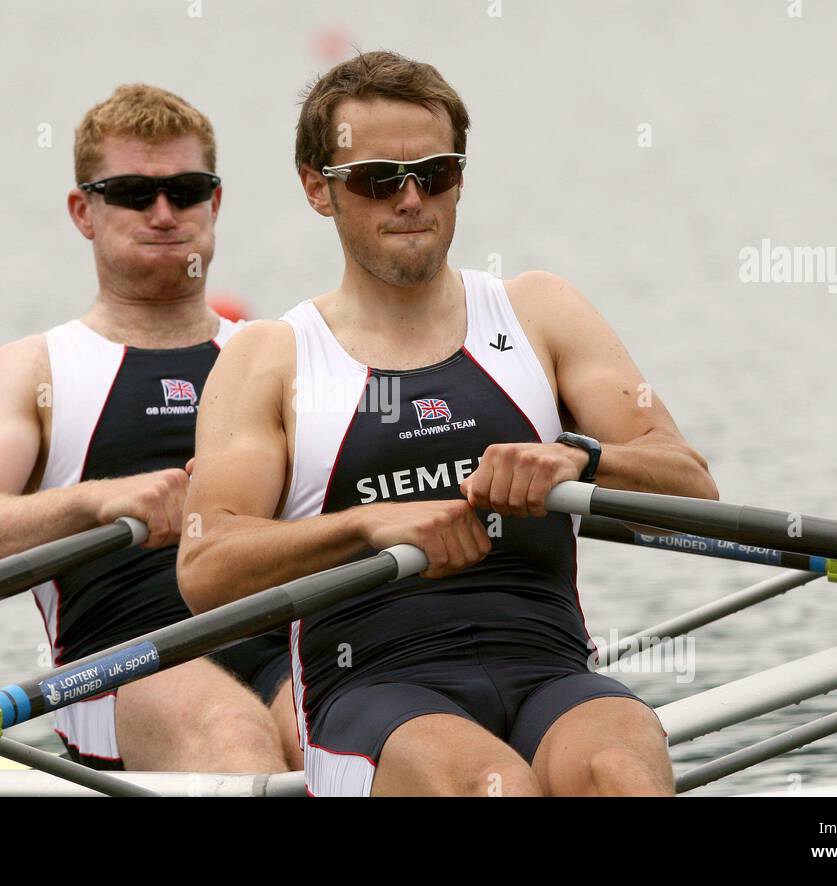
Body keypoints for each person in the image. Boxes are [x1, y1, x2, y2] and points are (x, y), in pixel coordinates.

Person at [177, 51, 717, 796]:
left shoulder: (540, 310)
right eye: (376, 180)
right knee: (492, 786)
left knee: (621, 773)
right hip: (369, 694)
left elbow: (693, 489)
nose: (409, 199)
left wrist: (581, 462)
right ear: (317, 189)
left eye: (434, 173)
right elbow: (205, 570)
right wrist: (370, 526)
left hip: (550, 672)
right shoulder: (269, 358)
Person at [0, 84, 297, 772]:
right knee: (235, 738)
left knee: (353, 736)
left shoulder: (274, 356)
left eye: (185, 189)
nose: (162, 212)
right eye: (131, 192)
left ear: (215, 201)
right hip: (120, 661)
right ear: (83, 211)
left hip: (282, 637)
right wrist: (96, 501)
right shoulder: (37, 369)